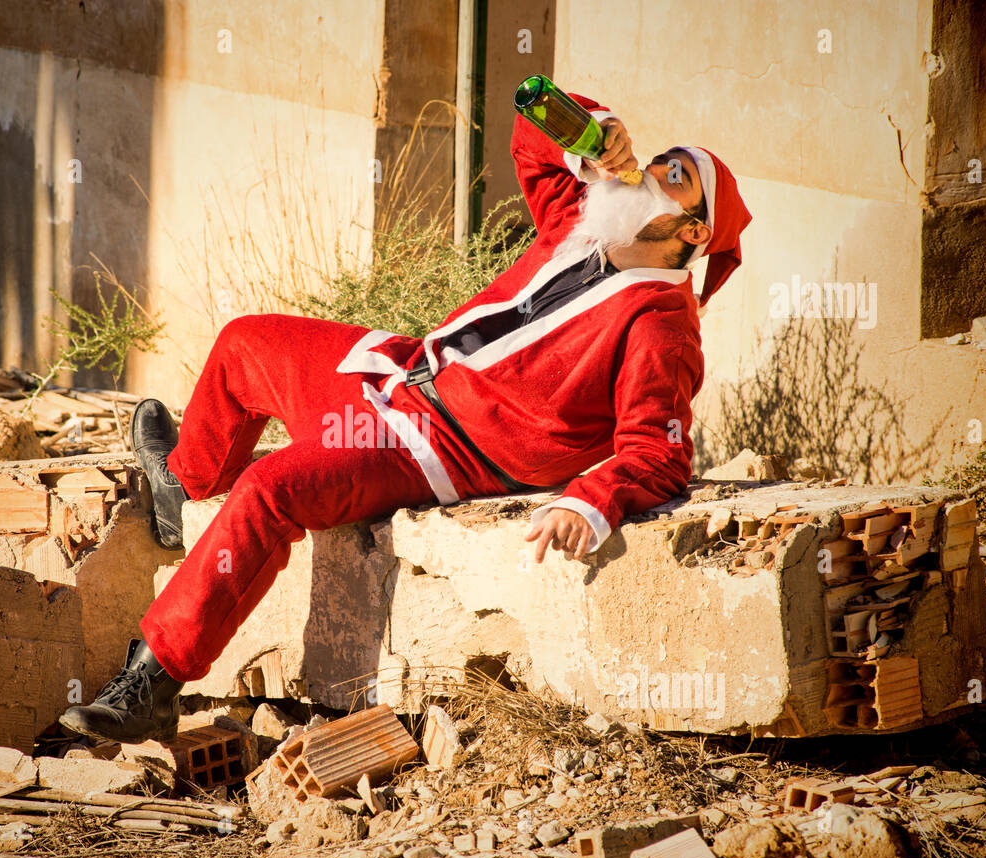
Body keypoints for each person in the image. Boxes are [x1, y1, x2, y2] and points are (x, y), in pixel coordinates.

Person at [58, 92, 753, 744]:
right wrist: (590, 136)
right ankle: (182, 489)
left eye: (677, 176)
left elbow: (660, 453)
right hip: (393, 372)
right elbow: (530, 130)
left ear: (692, 230)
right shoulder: (584, 223)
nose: (656, 169)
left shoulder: (663, 325)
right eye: (662, 157)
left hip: (424, 446)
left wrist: (590, 502)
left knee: (270, 488)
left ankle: (153, 682)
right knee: (243, 346)